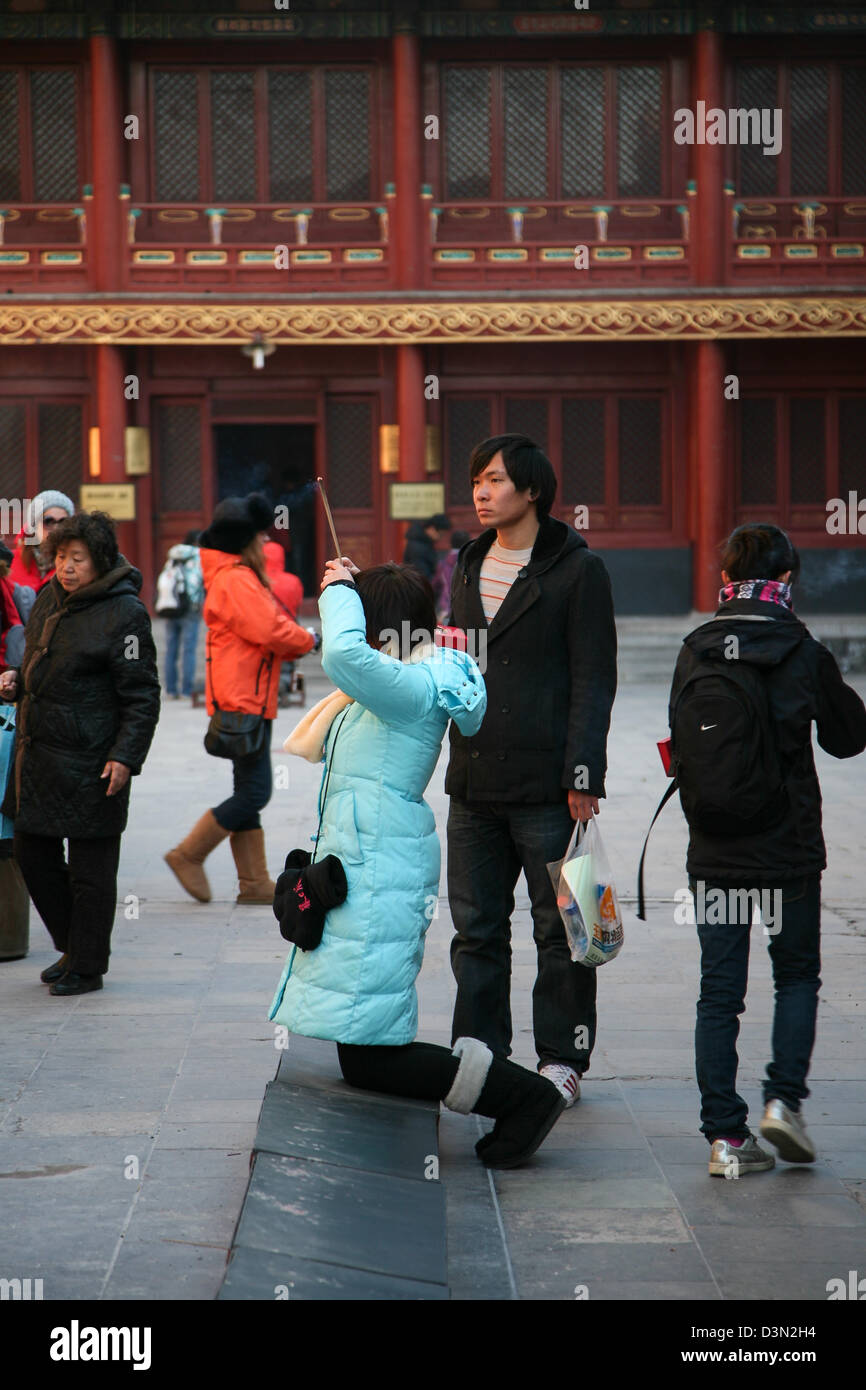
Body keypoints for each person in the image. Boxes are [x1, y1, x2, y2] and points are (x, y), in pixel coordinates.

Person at [269, 558, 567, 1169]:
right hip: (365, 860)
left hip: (378, 868)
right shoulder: (399, 681)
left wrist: (337, 591)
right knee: (362, 1048)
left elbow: (344, 656)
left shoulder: (413, 686)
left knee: (372, 1051)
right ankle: (516, 1093)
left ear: (378, 624)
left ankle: (526, 1097)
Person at [669, 523, 866, 1177]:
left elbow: (678, 743)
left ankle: (725, 1141)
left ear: (726, 580)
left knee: (718, 993)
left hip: (717, 848)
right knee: (795, 978)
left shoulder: (696, 647)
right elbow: (846, 739)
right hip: (787, 851)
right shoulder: (801, 647)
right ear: (786, 579)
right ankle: (783, 1103)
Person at [445, 434, 617, 1108]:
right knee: (476, 929)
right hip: (474, 781)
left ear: (532, 490)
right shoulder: (466, 560)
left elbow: (593, 679)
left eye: (494, 481)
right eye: (477, 482)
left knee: (565, 929)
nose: (482, 493)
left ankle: (562, 1058)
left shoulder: (578, 570)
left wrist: (583, 775)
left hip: (550, 786)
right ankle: (479, 1053)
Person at [0, 511, 160, 995]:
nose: (67, 568)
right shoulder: (50, 597)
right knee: (31, 851)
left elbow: (141, 694)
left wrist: (125, 757)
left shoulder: (126, 614)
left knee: (92, 871)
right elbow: (40, 663)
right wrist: (16, 680)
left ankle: (87, 966)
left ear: (101, 560)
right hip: (39, 757)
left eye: (78, 559)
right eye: (62, 557)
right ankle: (75, 946)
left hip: (95, 761)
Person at [164, 494, 319, 907]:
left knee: (247, 786)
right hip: (243, 696)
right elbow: (271, 631)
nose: (266, 540)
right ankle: (189, 854)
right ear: (248, 539)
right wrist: (311, 640)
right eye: (261, 534)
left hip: (244, 694)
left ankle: (253, 882)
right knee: (256, 791)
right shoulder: (237, 578)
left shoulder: (233, 575)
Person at [8, 490, 76, 606]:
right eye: (48, 521)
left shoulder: (78, 565)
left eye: (64, 522)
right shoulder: (8, 563)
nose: (56, 528)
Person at [161, 529, 205, 699]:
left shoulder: (173, 556)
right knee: (189, 650)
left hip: (171, 605)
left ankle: (171, 689)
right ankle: (187, 690)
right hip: (190, 607)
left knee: (171, 648)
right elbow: (199, 580)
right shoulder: (198, 556)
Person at [433, 528, 471, 624]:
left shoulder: (442, 564)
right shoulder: (472, 563)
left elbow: (435, 587)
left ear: (451, 544)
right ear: (469, 544)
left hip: (445, 611)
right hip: (466, 612)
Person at [402, 513, 451, 581]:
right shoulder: (418, 547)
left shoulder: (423, 542)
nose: (441, 537)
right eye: (440, 534)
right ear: (432, 528)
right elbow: (423, 576)